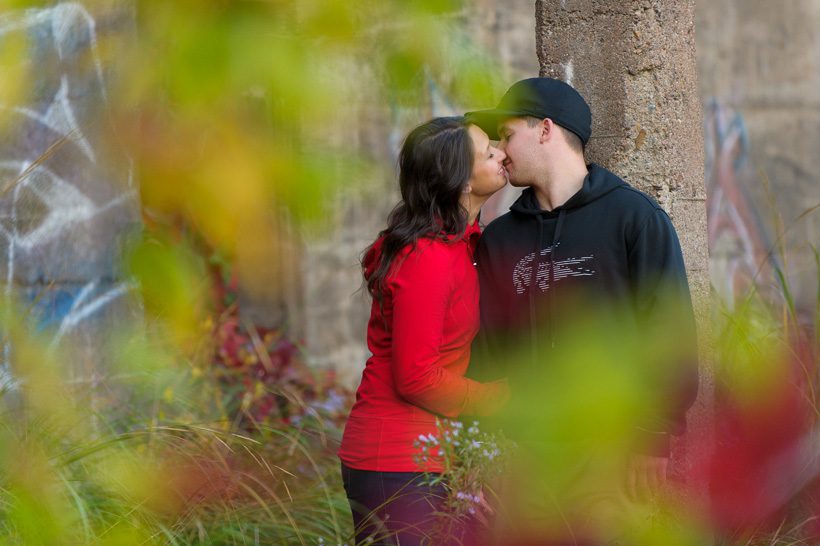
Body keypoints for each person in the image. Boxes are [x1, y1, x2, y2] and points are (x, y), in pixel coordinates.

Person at [465, 78, 700, 543]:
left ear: (546, 130)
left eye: (508, 135)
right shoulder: (500, 239)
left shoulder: (634, 218)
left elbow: (669, 335)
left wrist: (653, 438)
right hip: (526, 457)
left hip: (613, 453)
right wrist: (486, 444)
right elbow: (489, 348)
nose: (501, 151)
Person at [338, 116, 511, 546]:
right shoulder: (427, 259)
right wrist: (499, 398)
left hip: (427, 452)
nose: (502, 153)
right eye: (488, 153)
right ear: (461, 183)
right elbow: (415, 375)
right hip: (394, 459)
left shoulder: (459, 244)